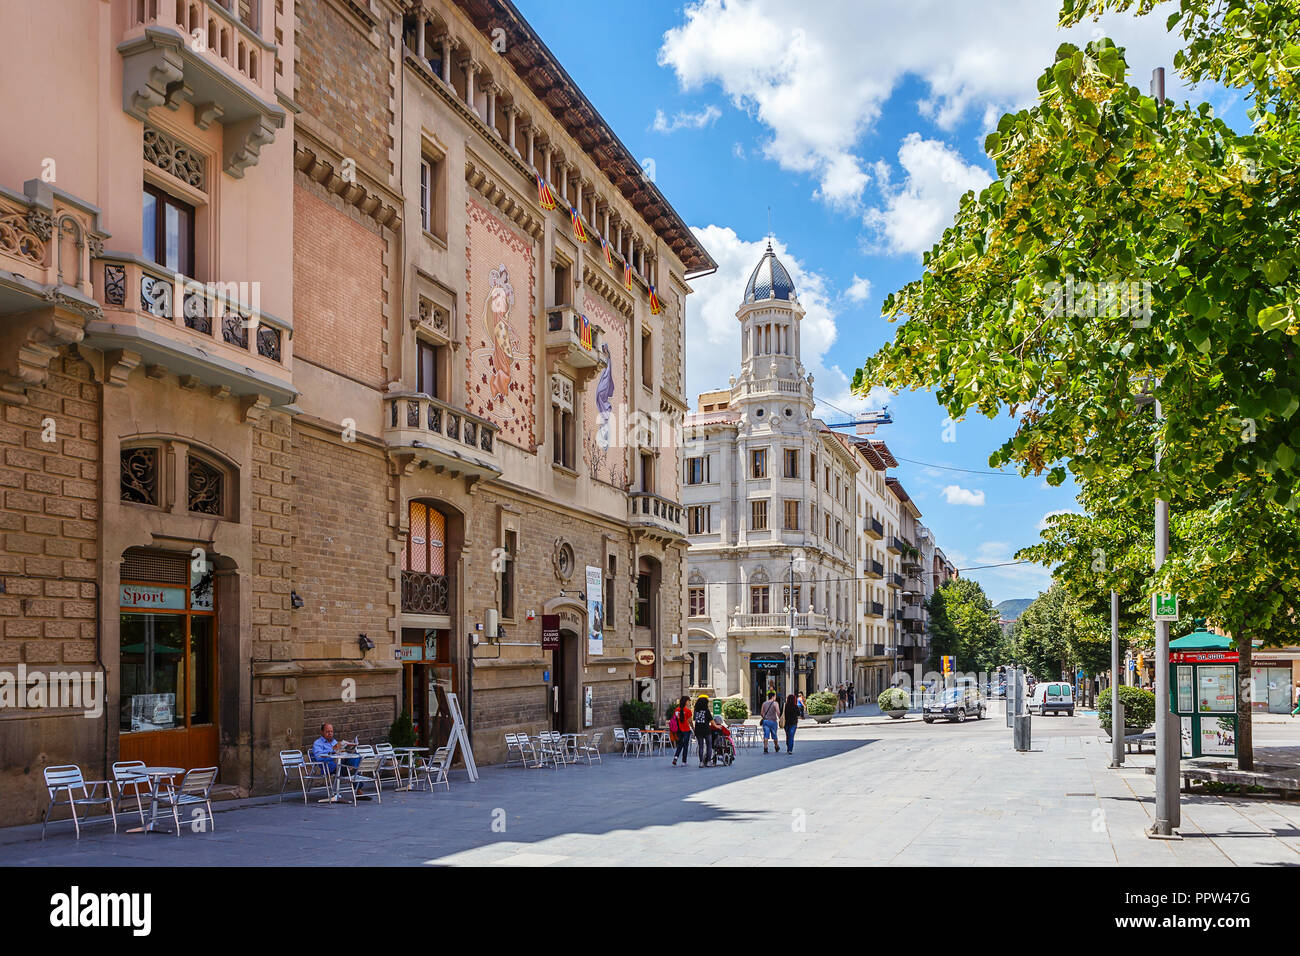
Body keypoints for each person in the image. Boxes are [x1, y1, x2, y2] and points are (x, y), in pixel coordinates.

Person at [311, 722, 366, 800]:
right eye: (327, 732)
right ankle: (358, 789)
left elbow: (339, 752)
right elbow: (318, 757)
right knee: (353, 768)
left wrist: (345, 750)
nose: (330, 733)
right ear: (322, 732)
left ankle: (352, 767)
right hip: (329, 766)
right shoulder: (317, 743)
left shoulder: (334, 742)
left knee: (356, 755)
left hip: (340, 763)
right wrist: (332, 752)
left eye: (331, 731)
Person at [670, 696, 693, 765]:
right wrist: (693, 728)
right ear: (686, 702)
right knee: (685, 745)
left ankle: (676, 758)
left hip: (678, 730)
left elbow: (675, 719)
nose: (689, 703)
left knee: (680, 745)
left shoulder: (676, 710)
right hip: (686, 730)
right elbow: (690, 721)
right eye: (689, 701)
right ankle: (684, 761)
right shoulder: (688, 711)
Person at [694, 695, 713, 767]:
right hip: (706, 730)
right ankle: (708, 761)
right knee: (709, 746)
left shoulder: (696, 711)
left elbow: (695, 719)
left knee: (701, 746)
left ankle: (701, 762)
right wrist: (717, 726)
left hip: (698, 730)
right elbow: (712, 722)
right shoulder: (707, 711)